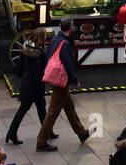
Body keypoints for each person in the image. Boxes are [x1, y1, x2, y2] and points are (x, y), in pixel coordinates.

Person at [36, 19, 90, 151]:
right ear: (71, 28)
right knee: (53, 111)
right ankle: (41, 141)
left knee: (69, 106)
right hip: (60, 80)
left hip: (54, 77)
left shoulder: (55, 39)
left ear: (60, 27)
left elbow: (48, 57)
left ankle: (81, 133)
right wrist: (75, 81)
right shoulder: (65, 44)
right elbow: (68, 64)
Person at [7, 28, 48, 146]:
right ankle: (12, 132)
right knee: (39, 108)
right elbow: (41, 71)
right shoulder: (40, 53)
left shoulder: (25, 49)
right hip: (36, 86)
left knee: (29, 109)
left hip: (26, 83)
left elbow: (20, 67)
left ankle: (12, 132)